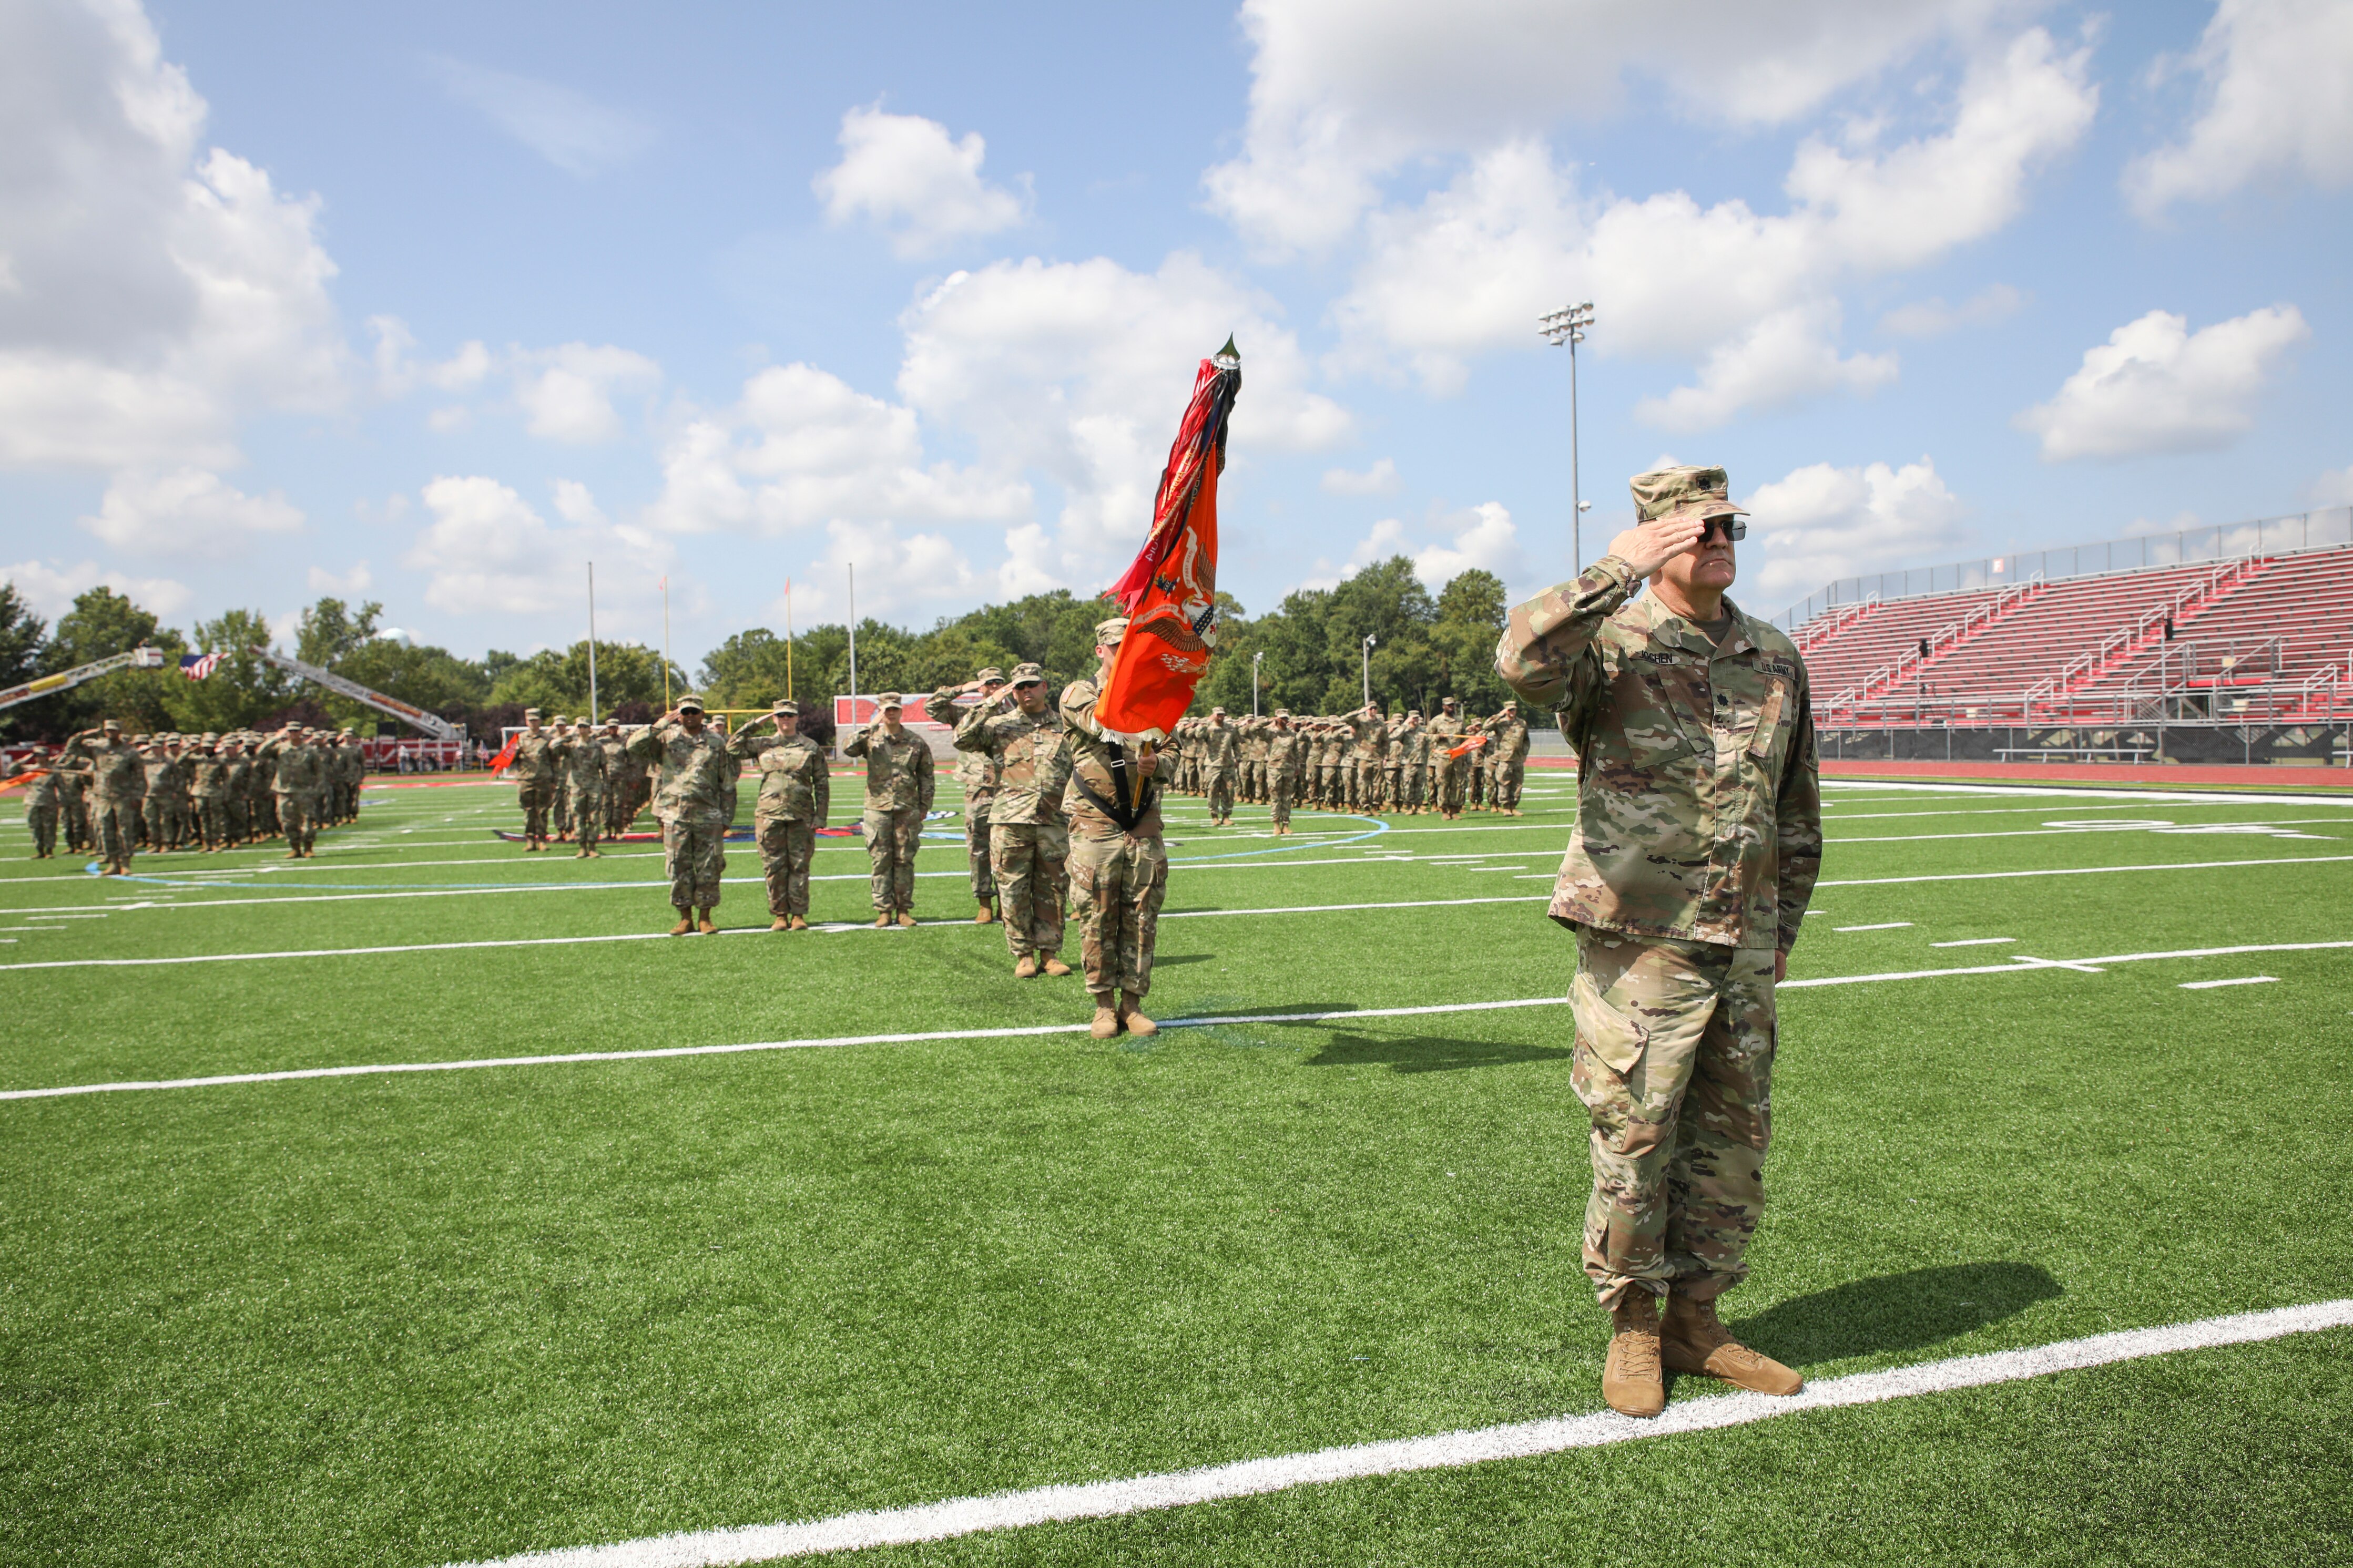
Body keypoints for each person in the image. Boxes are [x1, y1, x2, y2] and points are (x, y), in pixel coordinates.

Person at [1495, 463, 1822, 1421]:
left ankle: (1699, 1318)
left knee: (1731, 1142)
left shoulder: (1774, 655)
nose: (1721, 539)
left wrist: (1782, 931)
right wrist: (1614, 570)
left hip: (1745, 942)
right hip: (1643, 941)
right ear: (1660, 539)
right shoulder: (1612, 644)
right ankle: (1634, 1327)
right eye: (1701, 526)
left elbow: (1795, 812)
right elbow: (1521, 661)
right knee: (1637, 1137)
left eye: (1730, 525)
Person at [1061, 618, 1180, 1039]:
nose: (1122, 653)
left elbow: (1172, 746)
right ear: (1100, 650)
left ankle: (1132, 1004)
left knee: (1142, 913)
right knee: (1096, 913)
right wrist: (1143, 700)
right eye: (1116, 647)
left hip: (1142, 819)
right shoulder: (1079, 693)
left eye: (1130, 646)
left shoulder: (1155, 698)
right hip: (1095, 821)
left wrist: (1158, 763)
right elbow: (1103, 723)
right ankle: (1102, 1007)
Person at [954, 661, 1075, 976]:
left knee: (1053, 888)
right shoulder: (998, 725)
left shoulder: (1065, 725)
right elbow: (961, 738)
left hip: (1053, 820)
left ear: (1044, 686)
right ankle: (1024, 954)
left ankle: (1050, 953)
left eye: (1032, 685)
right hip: (1010, 820)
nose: (1026, 691)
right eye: (1020, 687)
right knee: (1012, 889)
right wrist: (990, 702)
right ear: (1013, 690)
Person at [628, 693, 734, 934]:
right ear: (678, 715)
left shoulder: (716, 743)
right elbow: (633, 746)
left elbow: (727, 783)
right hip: (675, 815)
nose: (689, 717)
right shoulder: (666, 738)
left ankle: (705, 917)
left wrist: (726, 817)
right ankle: (685, 917)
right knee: (678, 867)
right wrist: (660, 724)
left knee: (710, 868)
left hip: (708, 815)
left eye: (693, 712)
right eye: (684, 712)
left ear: (702, 715)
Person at [729, 699, 829, 930]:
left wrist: (821, 816)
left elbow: (822, 783)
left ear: (797, 718)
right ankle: (780, 915)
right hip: (769, 815)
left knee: (800, 867)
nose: (786, 720)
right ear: (774, 718)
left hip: (800, 815)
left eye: (789, 715)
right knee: (773, 868)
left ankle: (799, 915)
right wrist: (754, 724)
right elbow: (732, 748)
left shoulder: (810, 747)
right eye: (781, 716)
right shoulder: (762, 744)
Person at [842, 693, 934, 928]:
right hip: (877, 808)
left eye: (894, 709)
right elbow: (848, 748)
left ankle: (904, 910)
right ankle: (884, 910)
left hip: (907, 808)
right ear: (880, 712)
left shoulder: (915, 741)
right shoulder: (870, 739)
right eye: (886, 710)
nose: (890, 714)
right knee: (880, 860)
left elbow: (926, 775)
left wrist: (925, 806)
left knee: (904, 860)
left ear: (901, 711)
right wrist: (871, 725)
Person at [926, 668, 1005, 923]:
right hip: (978, 789)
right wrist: (962, 689)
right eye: (988, 684)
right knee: (978, 849)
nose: (993, 687)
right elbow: (931, 707)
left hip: (1009, 788)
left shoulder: (1013, 715)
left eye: (998, 683)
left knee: (1009, 849)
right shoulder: (965, 715)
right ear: (981, 687)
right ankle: (984, 902)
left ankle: (1008, 902)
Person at [64, 720, 142, 875]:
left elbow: (139, 776)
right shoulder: (98, 748)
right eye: (108, 731)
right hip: (103, 796)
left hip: (123, 796)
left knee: (125, 831)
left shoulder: (130, 752)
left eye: (113, 730)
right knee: (106, 830)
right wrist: (86, 734)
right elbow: (71, 748)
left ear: (119, 732)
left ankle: (126, 863)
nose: (111, 733)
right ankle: (113, 862)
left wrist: (137, 796)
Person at [554, 717, 607, 858]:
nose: (582, 730)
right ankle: (582, 846)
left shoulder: (598, 746)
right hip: (577, 786)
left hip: (594, 785)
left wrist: (606, 785)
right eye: (580, 727)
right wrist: (570, 734)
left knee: (594, 818)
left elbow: (604, 767)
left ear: (590, 729)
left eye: (585, 727)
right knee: (578, 817)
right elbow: (553, 745)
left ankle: (592, 846)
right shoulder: (571, 746)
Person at [510, 708, 558, 850]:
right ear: (526, 721)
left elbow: (554, 761)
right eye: (531, 720)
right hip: (526, 780)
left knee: (543, 811)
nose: (533, 723)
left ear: (540, 721)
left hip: (544, 779)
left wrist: (554, 780)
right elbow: (511, 760)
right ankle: (530, 839)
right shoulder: (519, 739)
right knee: (529, 811)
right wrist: (514, 752)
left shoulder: (548, 739)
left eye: (536, 720)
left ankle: (542, 839)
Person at [1199, 707, 1239, 826]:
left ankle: (1226, 816)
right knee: (1212, 790)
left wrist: (1238, 757)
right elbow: (1198, 734)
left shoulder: (1231, 729)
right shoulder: (1209, 728)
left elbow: (1236, 743)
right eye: (1218, 715)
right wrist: (1207, 721)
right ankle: (1214, 816)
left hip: (1228, 764)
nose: (1220, 717)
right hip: (1213, 764)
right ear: (1214, 715)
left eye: (1222, 714)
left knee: (1229, 791)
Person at [1265, 710, 1302, 835]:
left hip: (1289, 768)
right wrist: (1268, 721)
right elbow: (1253, 730)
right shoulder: (1271, 733)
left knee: (1287, 798)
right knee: (1275, 797)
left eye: (1286, 718)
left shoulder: (1291, 734)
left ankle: (1286, 824)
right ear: (1277, 718)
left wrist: (1297, 765)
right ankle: (1276, 823)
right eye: (1282, 718)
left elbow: (1296, 752)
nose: (1284, 720)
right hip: (1275, 768)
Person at [23, 749, 60, 858]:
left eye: (41, 755)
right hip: (32, 802)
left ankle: (49, 850)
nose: (39, 757)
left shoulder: (53, 770)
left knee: (50, 827)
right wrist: (27, 757)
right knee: (35, 827)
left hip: (49, 802)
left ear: (46, 756)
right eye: (37, 755)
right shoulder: (30, 770)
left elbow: (62, 787)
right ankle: (39, 850)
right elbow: (13, 769)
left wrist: (61, 800)